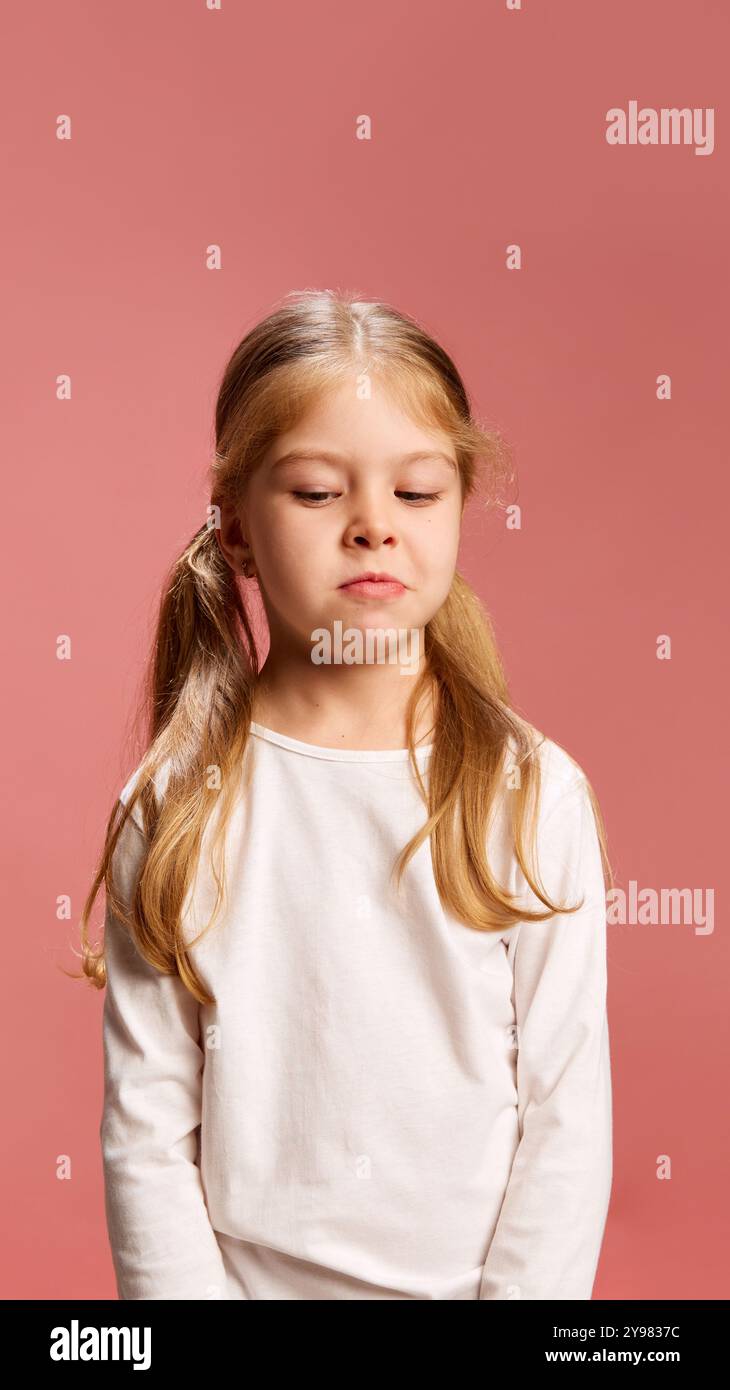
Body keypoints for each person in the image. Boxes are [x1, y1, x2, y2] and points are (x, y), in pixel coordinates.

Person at [78, 289, 613, 1300]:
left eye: (415, 493)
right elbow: (147, 1135)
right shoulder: (177, 804)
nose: (372, 526)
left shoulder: (529, 791)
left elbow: (564, 1116)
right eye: (319, 493)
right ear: (234, 531)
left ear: (458, 507)